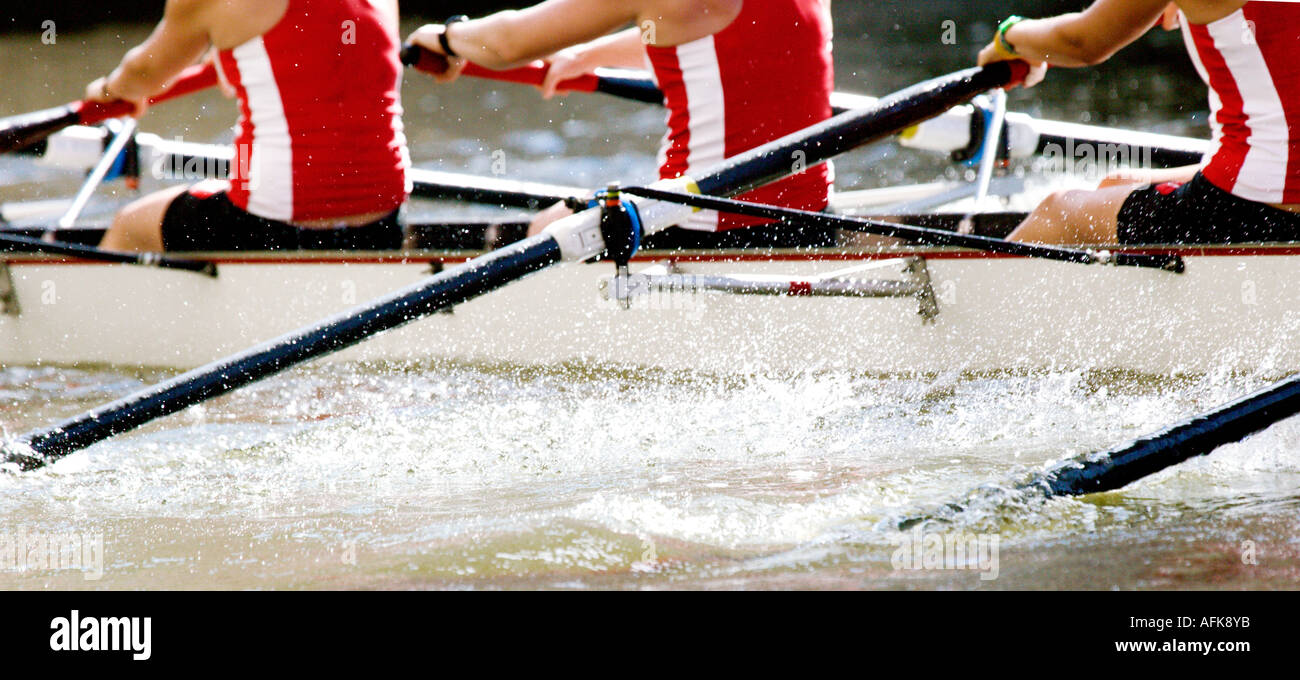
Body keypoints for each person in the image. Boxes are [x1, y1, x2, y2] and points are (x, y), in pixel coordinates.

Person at [407, 0, 834, 240]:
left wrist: (447, 37)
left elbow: (507, 44)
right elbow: (706, 35)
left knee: (544, 229)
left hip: (697, 226)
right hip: (812, 219)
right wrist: (588, 56)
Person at [89, 0, 411, 252]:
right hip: (385, 220)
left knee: (130, 226)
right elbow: (327, 61)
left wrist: (108, 91)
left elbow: (143, 73)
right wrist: (233, 54)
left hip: (266, 224)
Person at [979, 0, 1300, 245]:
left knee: (1058, 213)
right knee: (1118, 182)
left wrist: (1009, 39)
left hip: (1256, 205)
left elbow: (1081, 43)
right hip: (1265, 184)